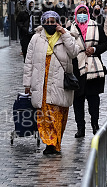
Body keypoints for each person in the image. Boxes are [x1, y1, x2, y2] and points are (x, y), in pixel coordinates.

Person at [23, 11, 80, 155]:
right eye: (47, 22)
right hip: (41, 82)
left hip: (59, 81)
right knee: (44, 114)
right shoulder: (36, 38)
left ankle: (56, 142)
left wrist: (64, 33)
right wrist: (27, 84)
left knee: (58, 113)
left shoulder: (65, 36)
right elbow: (29, 62)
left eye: (53, 21)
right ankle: (49, 143)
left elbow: (74, 52)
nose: (50, 24)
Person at [70, 5, 107, 138]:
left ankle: (95, 125)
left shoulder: (96, 27)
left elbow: (105, 44)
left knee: (93, 100)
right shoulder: (70, 29)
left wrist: (94, 49)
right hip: (77, 70)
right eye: (79, 13)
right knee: (78, 101)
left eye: (84, 12)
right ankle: (80, 128)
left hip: (94, 69)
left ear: (88, 13)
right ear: (76, 14)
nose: (82, 15)